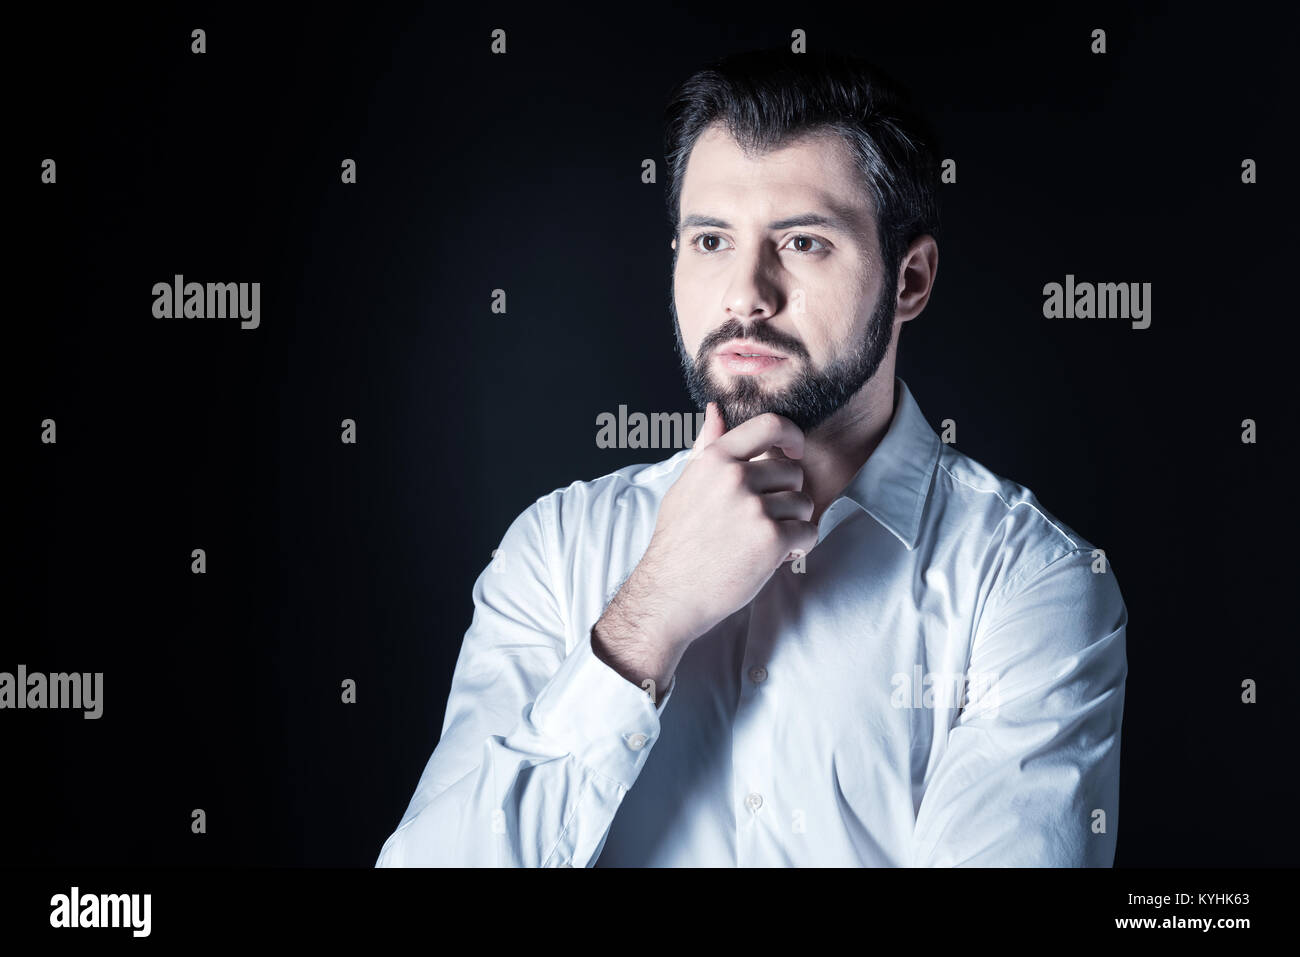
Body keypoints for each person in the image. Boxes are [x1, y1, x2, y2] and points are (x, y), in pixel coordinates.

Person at [376, 49, 1128, 867]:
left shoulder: (1026, 583)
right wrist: (648, 616)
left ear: (910, 279)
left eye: (802, 242)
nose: (744, 293)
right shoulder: (556, 548)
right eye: (710, 240)